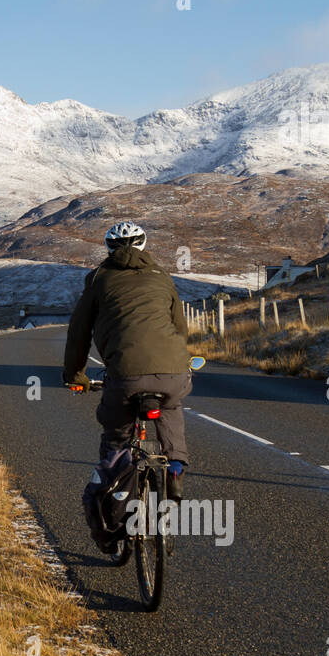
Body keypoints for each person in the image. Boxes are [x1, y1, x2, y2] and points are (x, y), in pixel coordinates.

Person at [62, 221, 192, 548]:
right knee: (171, 407)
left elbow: (78, 334)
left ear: (108, 247)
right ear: (144, 245)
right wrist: (174, 363)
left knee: (116, 437)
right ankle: (175, 466)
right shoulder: (163, 276)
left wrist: (75, 376)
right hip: (174, 372)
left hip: (125, 377)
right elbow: (179, 328)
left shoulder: (98, 279)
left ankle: (113, 509)